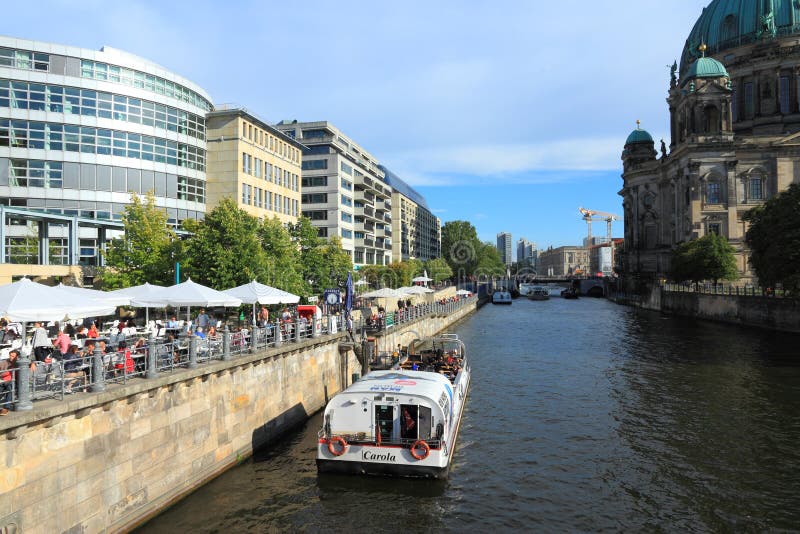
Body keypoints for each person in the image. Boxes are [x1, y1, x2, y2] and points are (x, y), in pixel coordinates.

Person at [0, 349, 20, 415]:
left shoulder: (19, 363)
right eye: (10, 356)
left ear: (17, 357)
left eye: (13, 356)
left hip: (13, 381)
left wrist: (33, 363)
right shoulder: (4, 362)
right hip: (3, 381)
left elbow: (28, 363)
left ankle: (6, 408)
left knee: (10, 388)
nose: (11, 357)